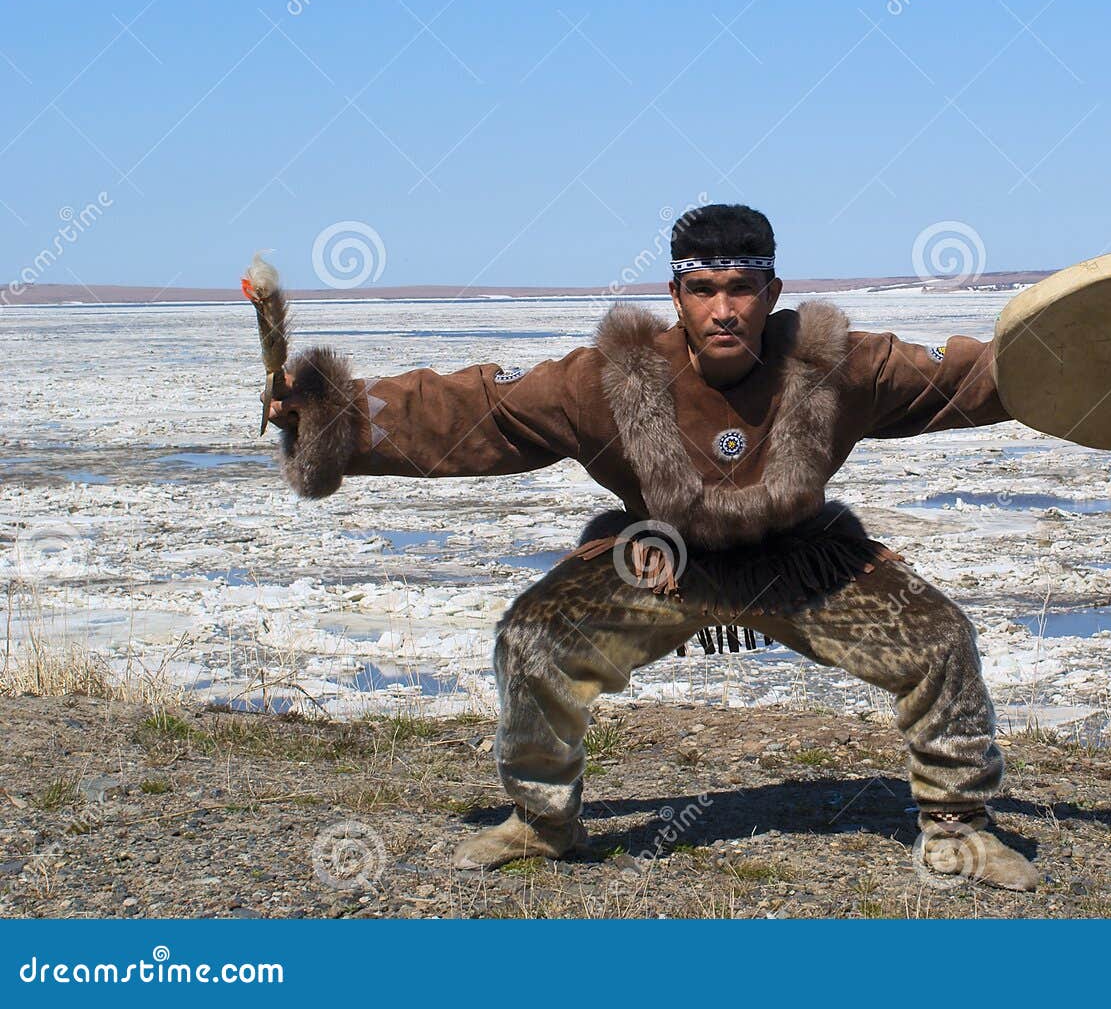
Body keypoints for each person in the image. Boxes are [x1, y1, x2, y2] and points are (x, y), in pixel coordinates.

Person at [265, 204, 1039, 891]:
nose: (724, 308)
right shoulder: (604, 383)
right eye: (704, 290)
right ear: (676, 297)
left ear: (773, 294)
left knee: (939, 637)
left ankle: (957, 827)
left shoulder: (837, 363)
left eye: (742, 288)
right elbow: (478, 407)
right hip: (660, 563)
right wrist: (330, 413)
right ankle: (542, 821)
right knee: (534, 640)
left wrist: (1094, 364)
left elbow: (968, 377)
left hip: (801, 562)